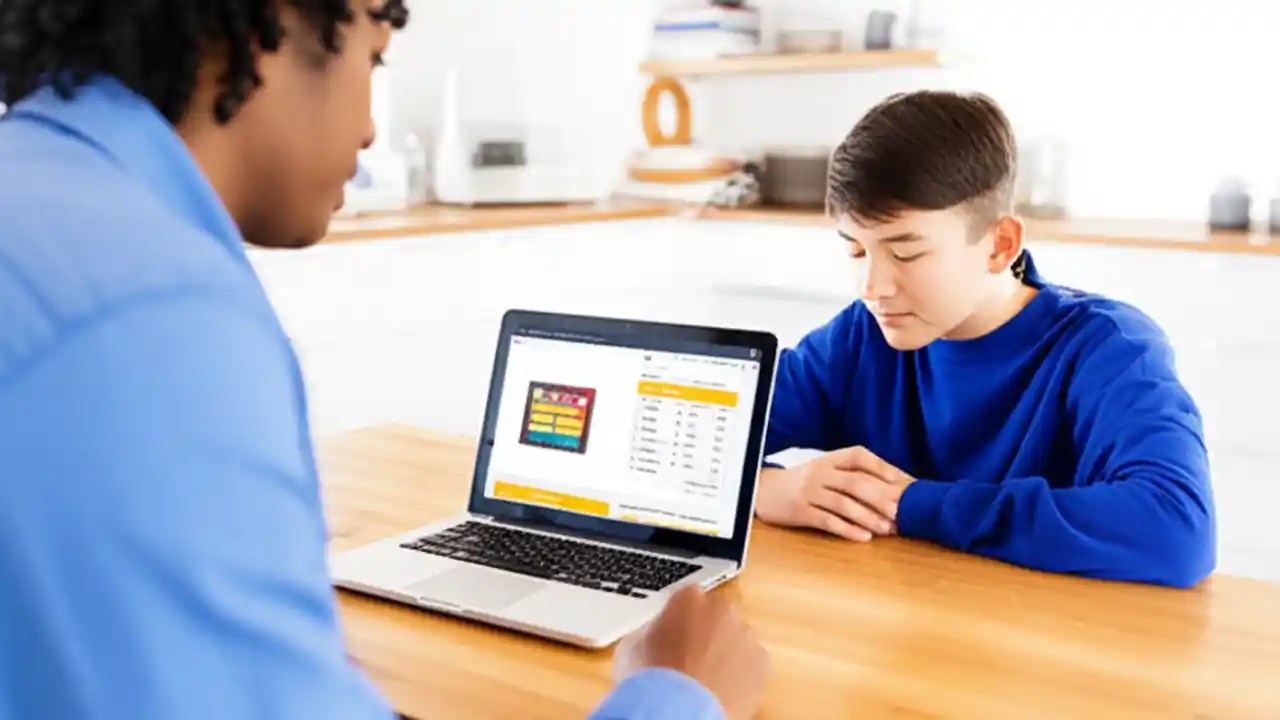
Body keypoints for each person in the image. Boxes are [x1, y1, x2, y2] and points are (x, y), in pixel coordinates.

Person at [0, 2, 769, 719]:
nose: (371, 129)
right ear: (276, 21)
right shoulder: (152, 317)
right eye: (374, 58)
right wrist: (675, 695)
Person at [754, 90, 1216, 589]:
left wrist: (908, 503)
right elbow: (696, 439)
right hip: (903, 622)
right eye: (856, 251)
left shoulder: (1108, 348)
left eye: (906, 254)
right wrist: (765, 490)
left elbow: (1175, 530)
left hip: (1045, 630)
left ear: (999, 245)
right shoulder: (860, 338)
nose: (872, 287)